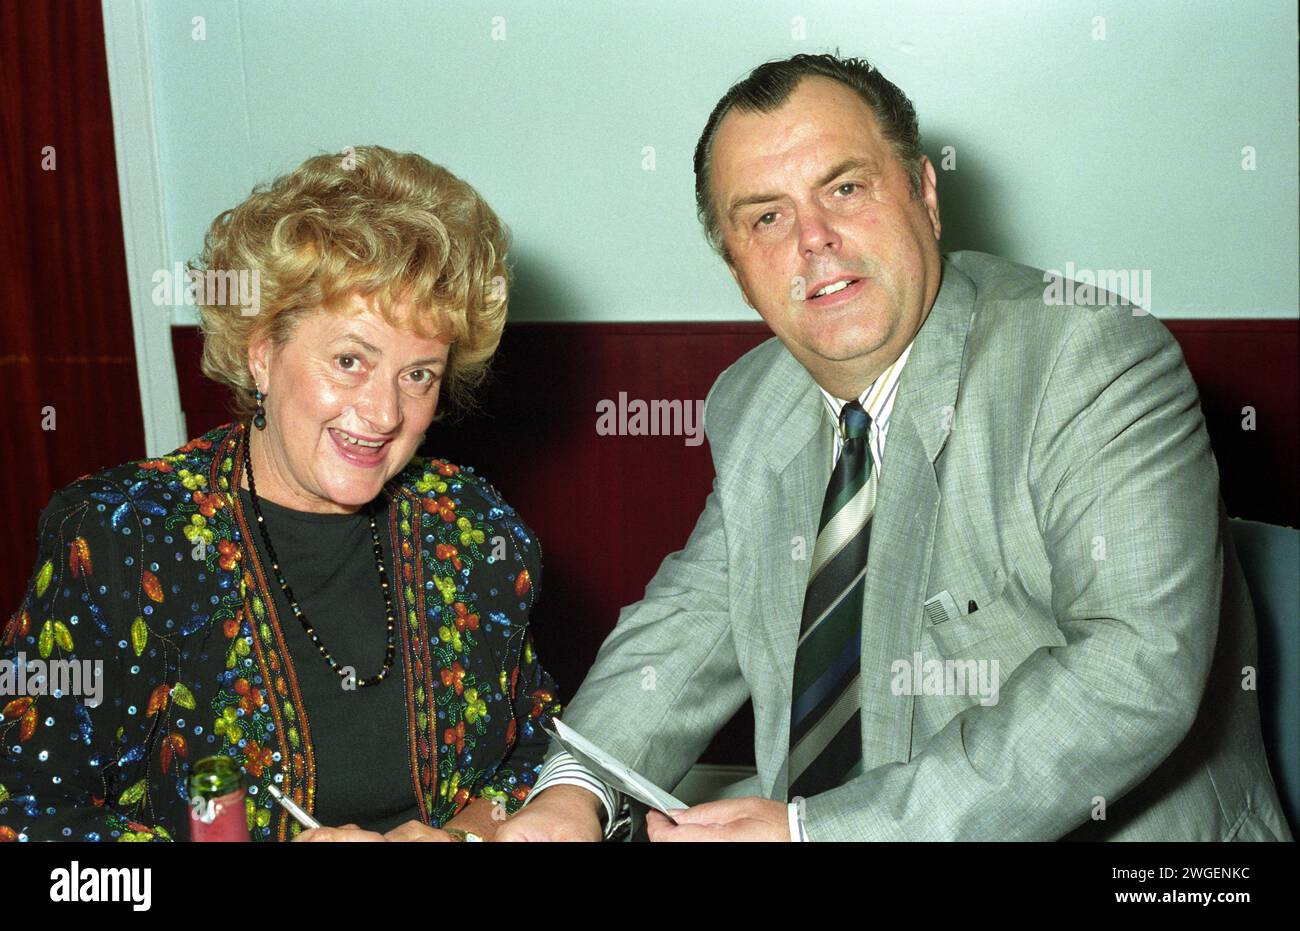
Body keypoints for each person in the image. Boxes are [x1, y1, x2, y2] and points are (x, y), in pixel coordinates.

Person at [498, 53, 1292, 841]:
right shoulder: (753, 401)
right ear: (739, 272)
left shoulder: (1089, 356)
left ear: (925, 192)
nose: (814, 239)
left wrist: (819, 833)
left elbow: (1135, 669)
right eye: (766, 217)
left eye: (845, 188)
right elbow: (696, 615)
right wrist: (577, 789)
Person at [0, 146, 561, 842]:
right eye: (350, 361)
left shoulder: (470, 526)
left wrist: (460, 835)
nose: (384, 413)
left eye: (419, 374)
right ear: (261, 353)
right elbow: (27, 818)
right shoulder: (123, 537)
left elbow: (538, 750)